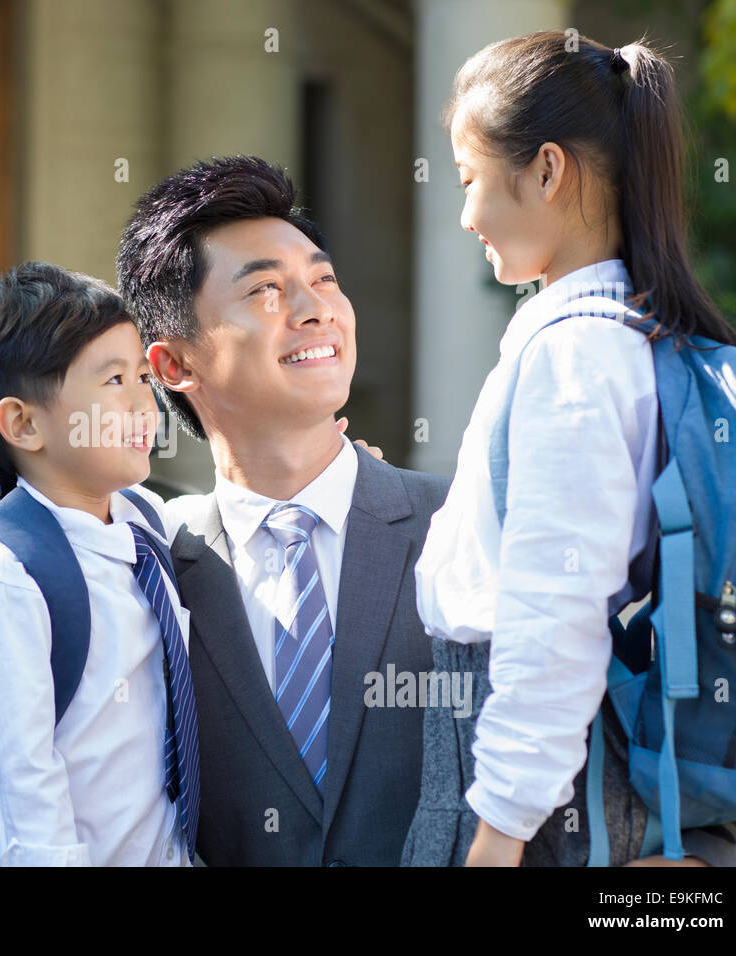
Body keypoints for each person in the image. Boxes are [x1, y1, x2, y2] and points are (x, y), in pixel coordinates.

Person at [404, 32, 736, 867]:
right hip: (604, 788)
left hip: (547, 810)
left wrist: (495, 840)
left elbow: (553, 619)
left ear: (548, 171)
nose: (465, 216)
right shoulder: (642, 342)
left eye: (469, 180)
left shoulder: (572, 357)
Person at [117, 156, 450, 865]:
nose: (316, 308)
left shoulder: (462, 525)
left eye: (323, 280)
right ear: (174, 366)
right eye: (266, 290)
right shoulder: (150, 565)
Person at [0, 262, 198, 866]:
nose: (143, 403)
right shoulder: (1, 581)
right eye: (113, 381)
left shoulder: (143, 522)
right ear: (23, 423)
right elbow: (30, 797)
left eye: (141, 378)